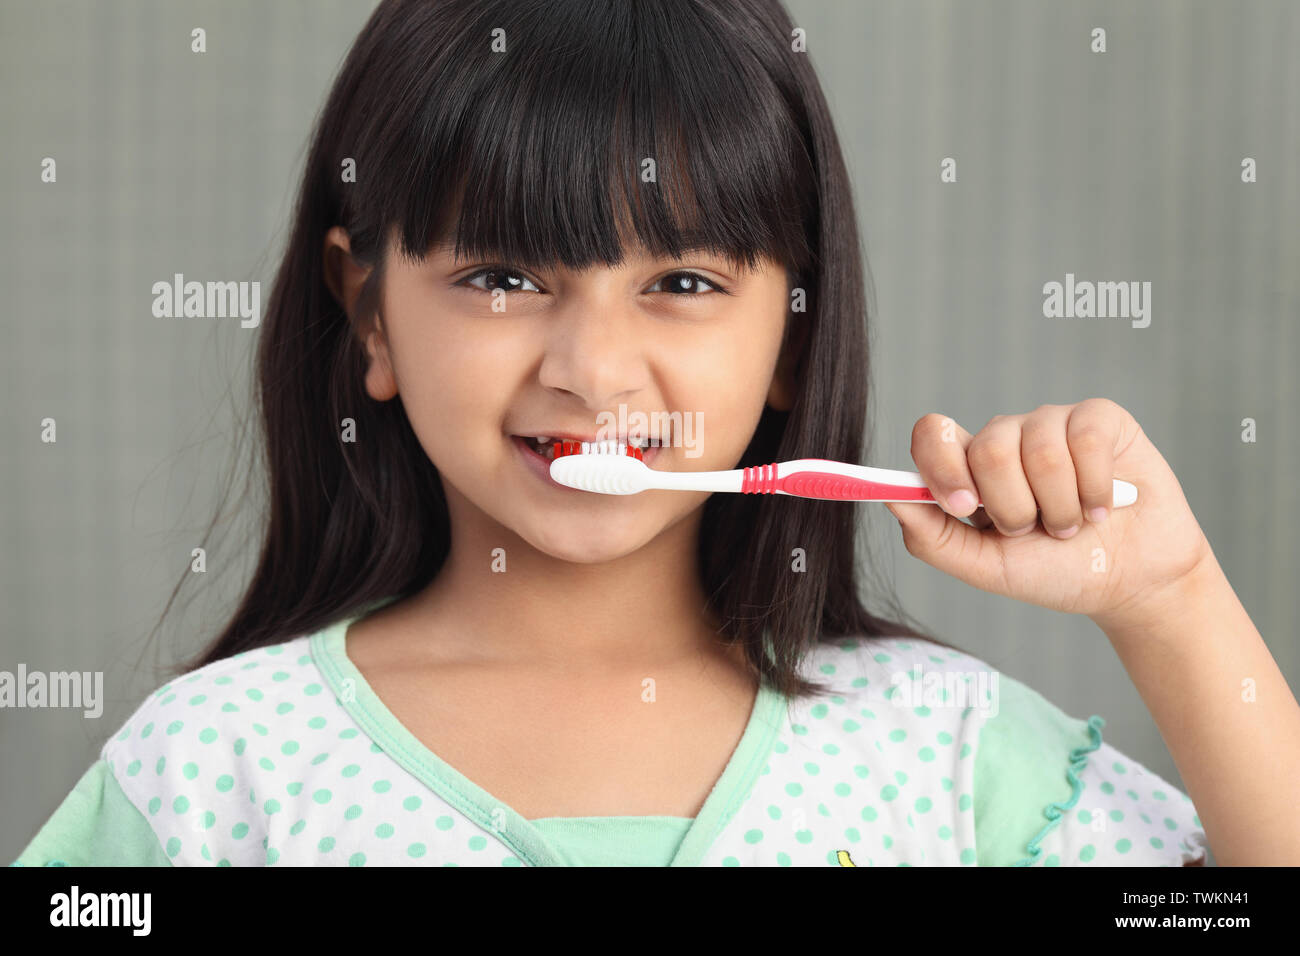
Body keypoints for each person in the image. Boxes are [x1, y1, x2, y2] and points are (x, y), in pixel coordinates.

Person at [14, 0, 1292, 867]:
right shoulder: (208, 774)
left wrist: (1170, 599)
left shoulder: (949, 760)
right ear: (371, 316)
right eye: (503, 277)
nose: (590, 369)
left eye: (681, 282)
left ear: (791, 332)